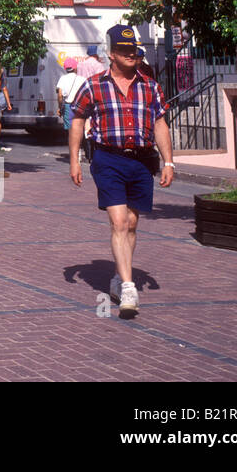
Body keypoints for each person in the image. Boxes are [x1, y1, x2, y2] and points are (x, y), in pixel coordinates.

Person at [69, 24, 175, 317]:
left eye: (135, 51)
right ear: (112, 54)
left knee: (131, 223)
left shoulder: (150, 86)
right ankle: (128, 287)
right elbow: (77, 120)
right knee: (118, 221)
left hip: (142, 161)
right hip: (108, 159)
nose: (132, 56)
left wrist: (168, 161)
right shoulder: (94, 85)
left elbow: (160, 123)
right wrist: (75, 159)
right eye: (125, 51)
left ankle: (118, 277)